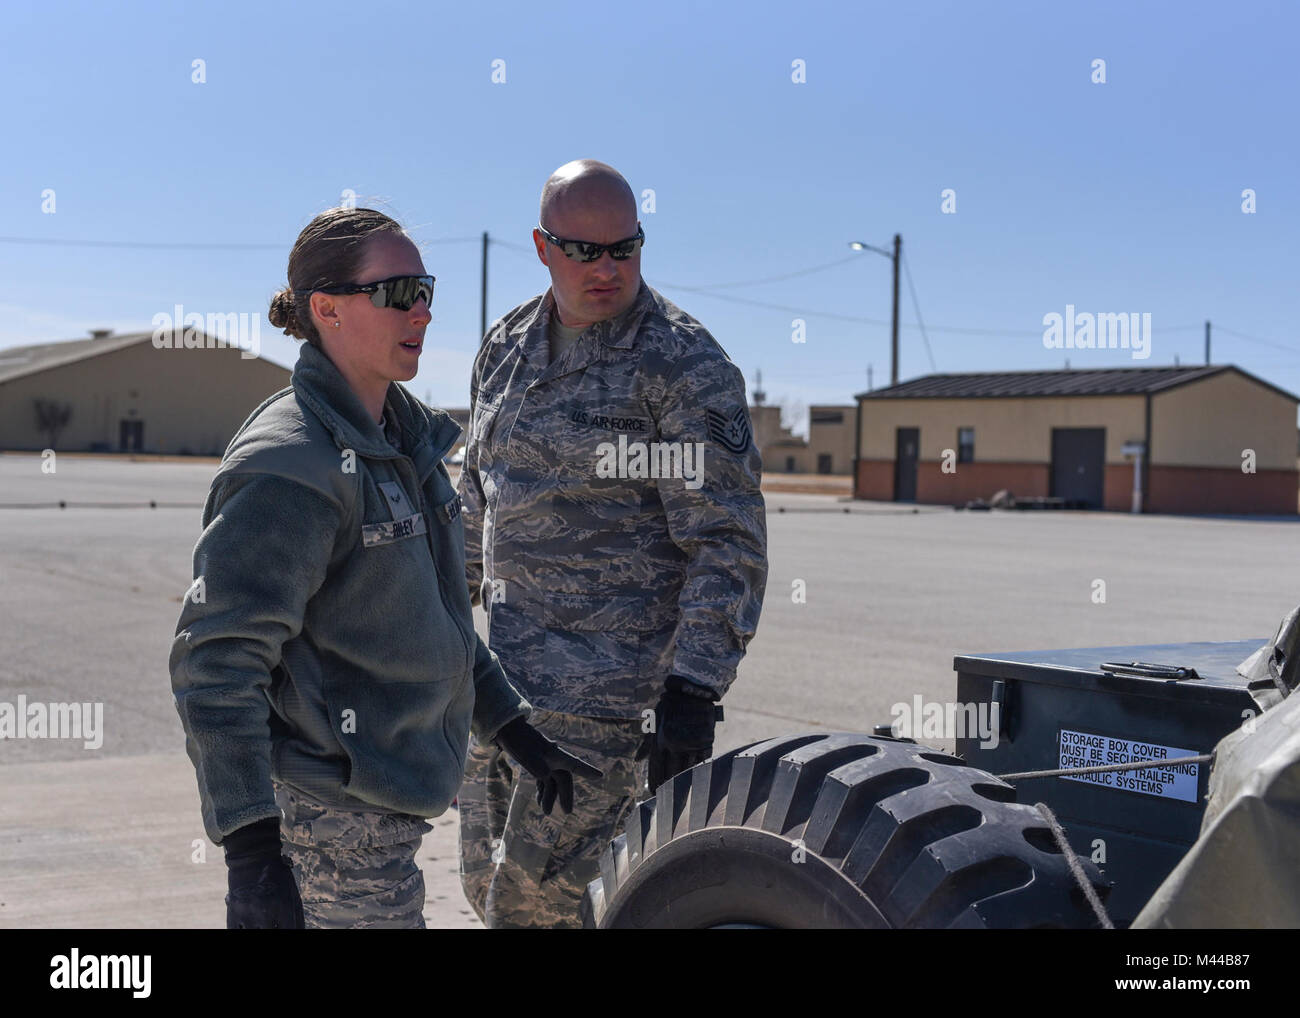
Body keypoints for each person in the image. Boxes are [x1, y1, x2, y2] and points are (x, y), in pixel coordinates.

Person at [169, 206, 597, 930]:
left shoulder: (401, 441)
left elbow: (436, 623)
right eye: (398, 293)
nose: (422, 313)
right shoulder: (290, 463)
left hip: (385, 812)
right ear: (327, 310)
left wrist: (515, 731)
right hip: (331, 821)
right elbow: (214, 663)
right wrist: (250, 851)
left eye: (425, 291)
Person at [457, 160, 769, 928]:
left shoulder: (681, 365)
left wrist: (693, 689)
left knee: (544, 914)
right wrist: (432, 626)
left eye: (624, 248)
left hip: (605, 714)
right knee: (486, 888)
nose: (608, 269)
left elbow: (726, 541)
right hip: (500, 698)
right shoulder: (506, 345)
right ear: (542, 247)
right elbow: (476, 497)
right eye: (584, 250)